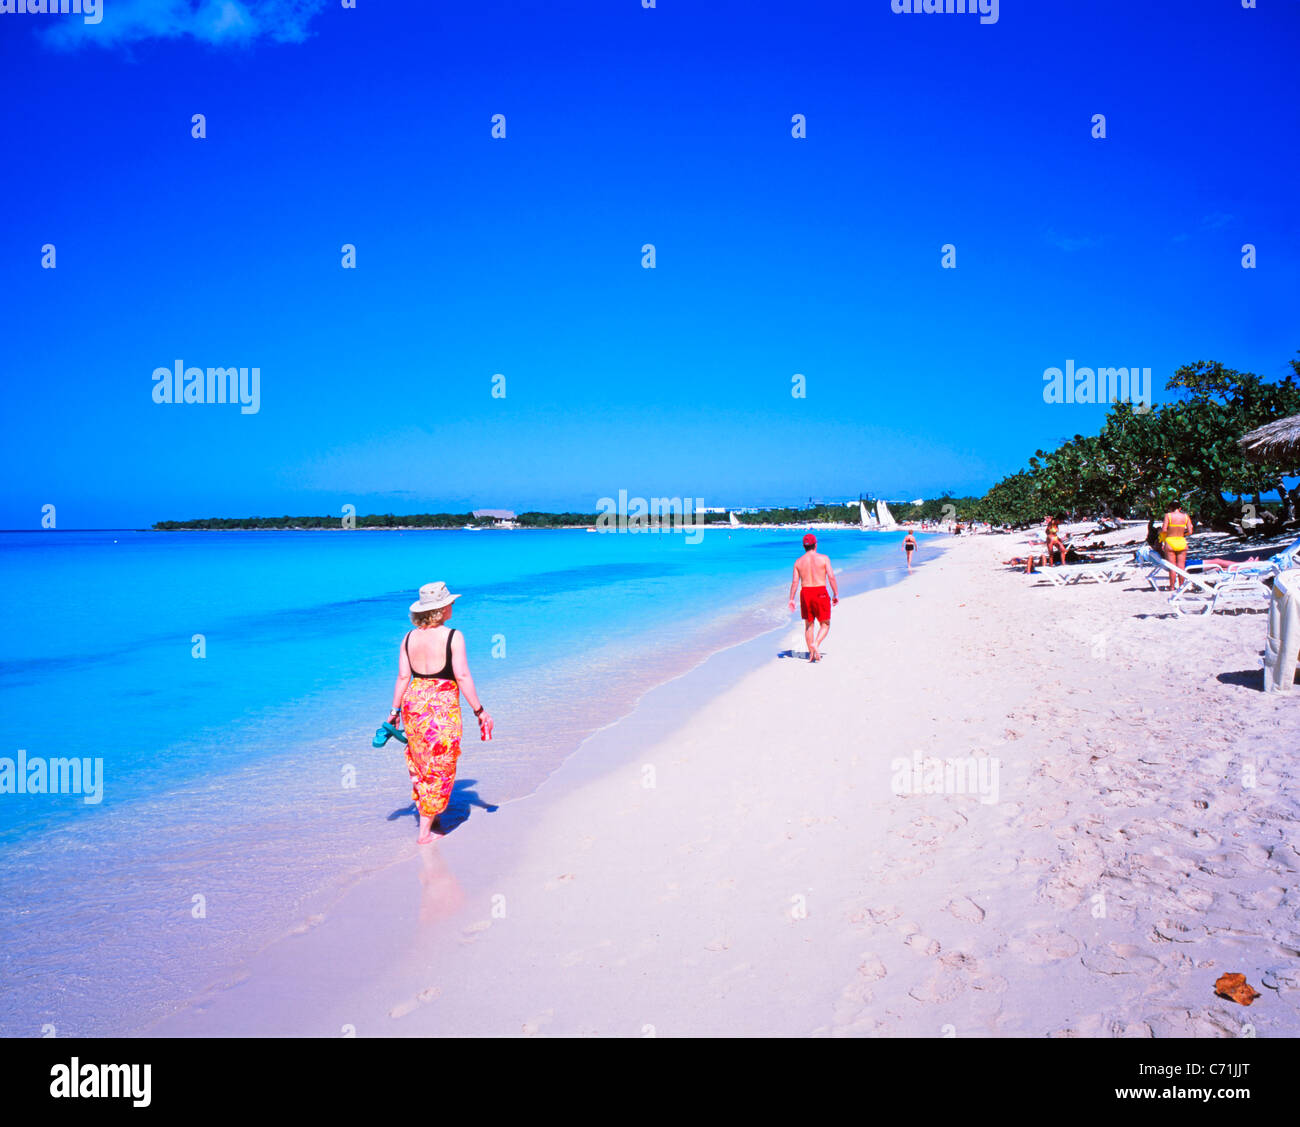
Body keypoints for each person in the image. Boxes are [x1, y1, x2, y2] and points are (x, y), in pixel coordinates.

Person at [387, 581, 494, 843]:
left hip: (414, 704)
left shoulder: (408, 637)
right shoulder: (453, 636)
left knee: (422, 761)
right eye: (450, 602)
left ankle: (433, 818)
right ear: (442, 608)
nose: (453, 605)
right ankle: (426, 832)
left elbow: (403, 676)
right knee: (440, 765)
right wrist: (479, 711)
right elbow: (462, 675)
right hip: (440, 707)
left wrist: (394, 711)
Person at [788, 533, 838, 662]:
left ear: (804, 547)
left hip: (805, 593)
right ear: (815, 545)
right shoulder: (824, 558)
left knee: (809, 625)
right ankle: (816, 644)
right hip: (820, 591)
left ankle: (812, 654)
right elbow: (831, 577)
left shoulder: (798, 562)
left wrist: (791, 599)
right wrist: (835, 594)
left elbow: (794, 582)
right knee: (825, 624)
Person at [1161, 503, 1194, 590]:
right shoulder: (1186, 516)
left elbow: (1164, 530)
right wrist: (1184, 533)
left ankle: (1172, 587)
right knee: (1181, 566)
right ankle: (1181, 586)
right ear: (1180, 508)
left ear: (1171, 507)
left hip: (1170, 541)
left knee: (1172, 567)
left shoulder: (1168, 516)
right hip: (1181, 541)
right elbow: (1190, 531)